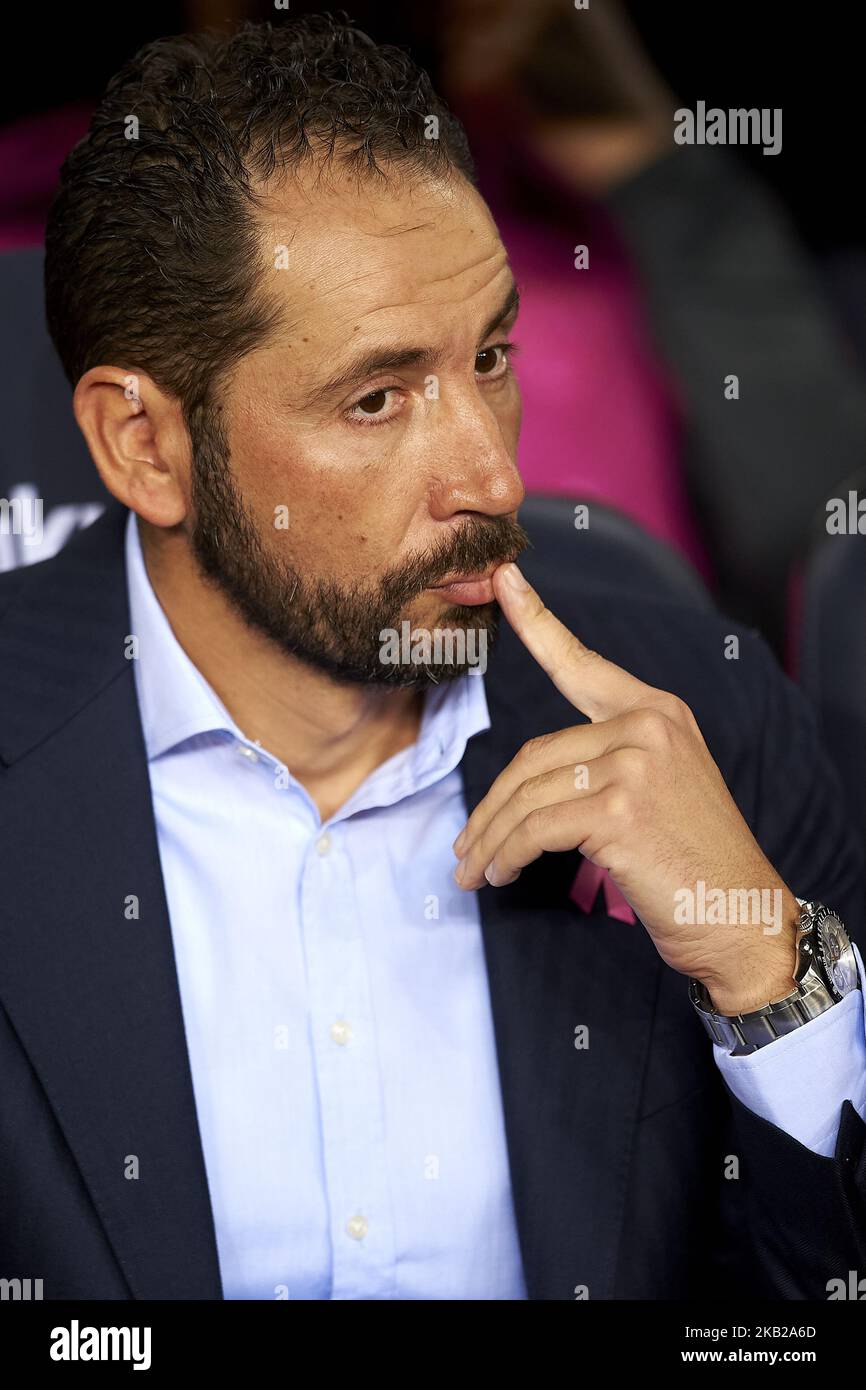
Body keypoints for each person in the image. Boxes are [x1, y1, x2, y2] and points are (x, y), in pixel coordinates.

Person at [2, 15, 865, 1301]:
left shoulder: (712, 725)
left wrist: (767, 977)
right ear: (143, 445)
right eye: (376, 397)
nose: (494, 474)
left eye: (491, 359)